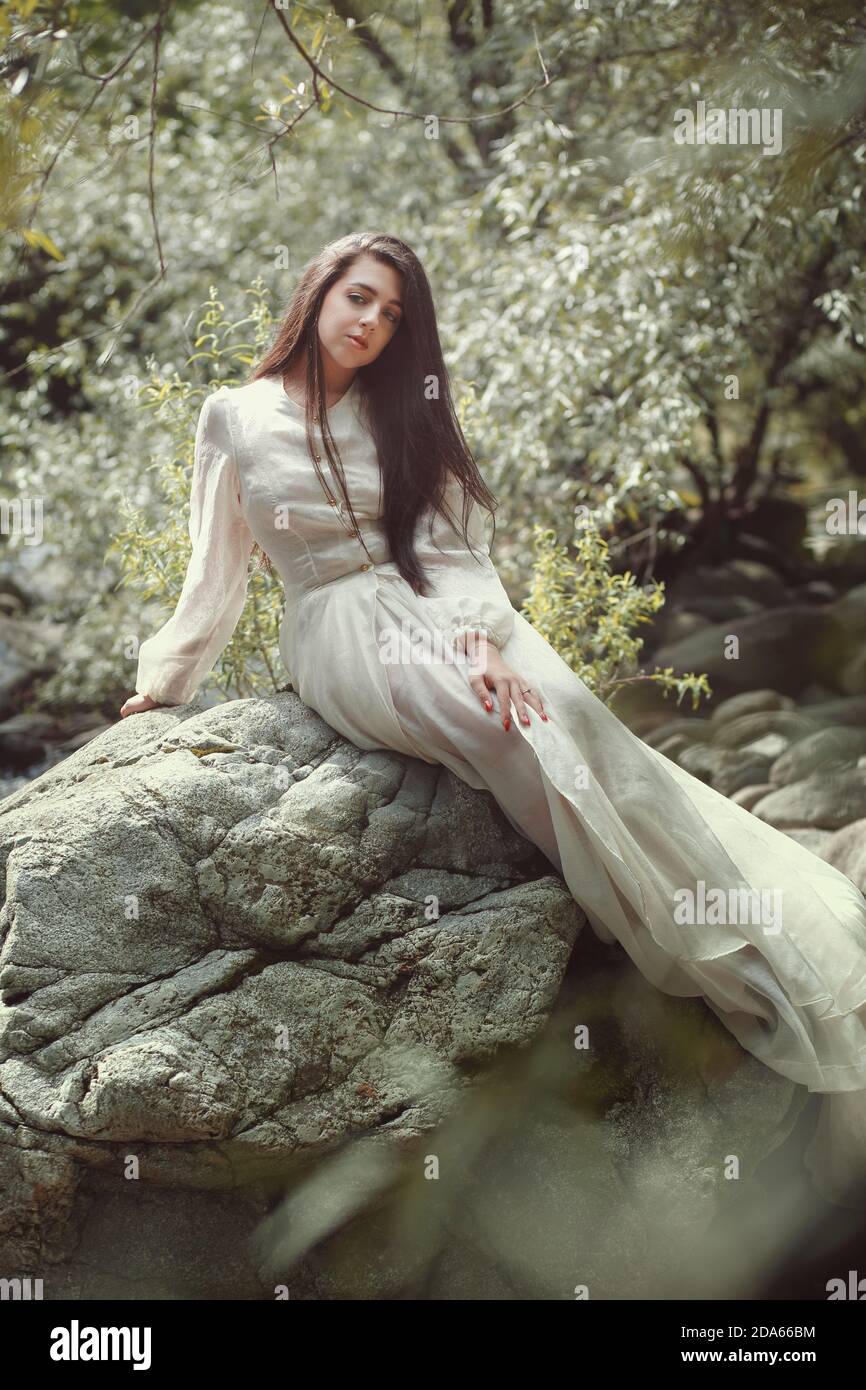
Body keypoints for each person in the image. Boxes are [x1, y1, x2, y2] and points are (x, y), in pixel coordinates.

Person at [120, 231, 866, 1210]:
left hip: (446, 609)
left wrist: (477, 642)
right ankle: (648, 919)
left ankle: (739, 927)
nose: (371, 323)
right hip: (338, 629)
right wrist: (165, 683)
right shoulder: (234, 415)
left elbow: (448, 547)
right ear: (318, 292)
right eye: (359, 297)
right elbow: (211, 575)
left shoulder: (395, 408)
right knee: (504, 732)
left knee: (574, 720)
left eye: (392, 314)